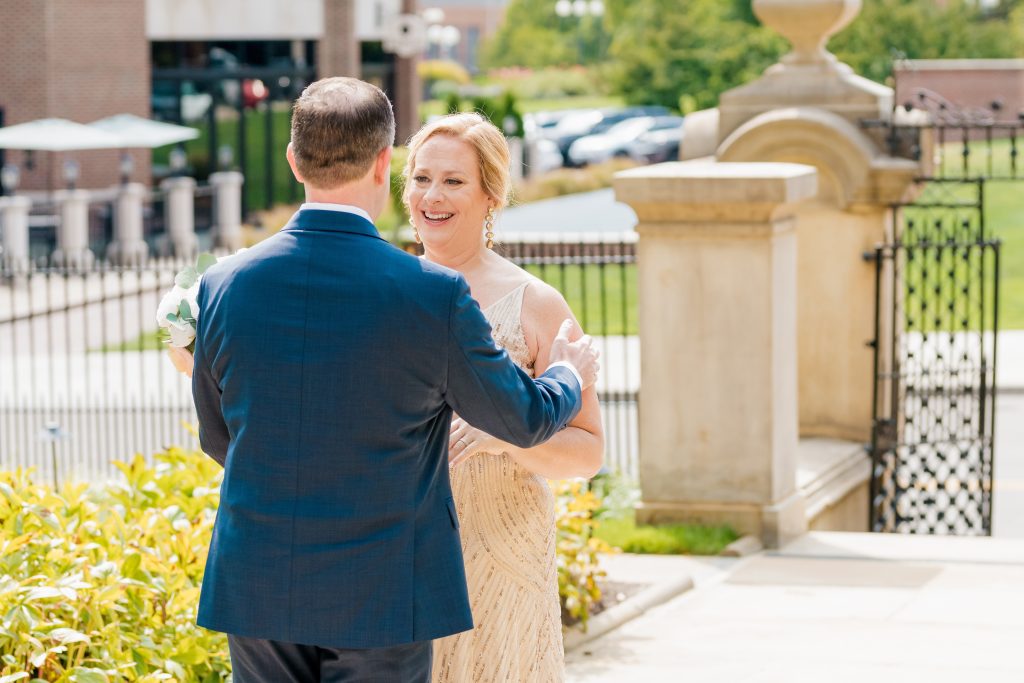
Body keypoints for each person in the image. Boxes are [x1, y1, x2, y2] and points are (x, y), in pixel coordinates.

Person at [183, 78, 599, 682]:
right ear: (386, 164)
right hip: (383, 588)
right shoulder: (431, 294)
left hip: (258, 581)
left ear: (293, 160)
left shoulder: (222, 283)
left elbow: (218, 436)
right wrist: (566, 374)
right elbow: (524, 418)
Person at [403, 112, 605, 682]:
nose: (432, 196)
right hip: (403, 553)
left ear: (491, 195)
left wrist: (507, 433)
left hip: (503, 548)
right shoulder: (388, 290)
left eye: (453, 181)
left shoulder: (536, 305)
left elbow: (588, 453)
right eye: (421, 178)